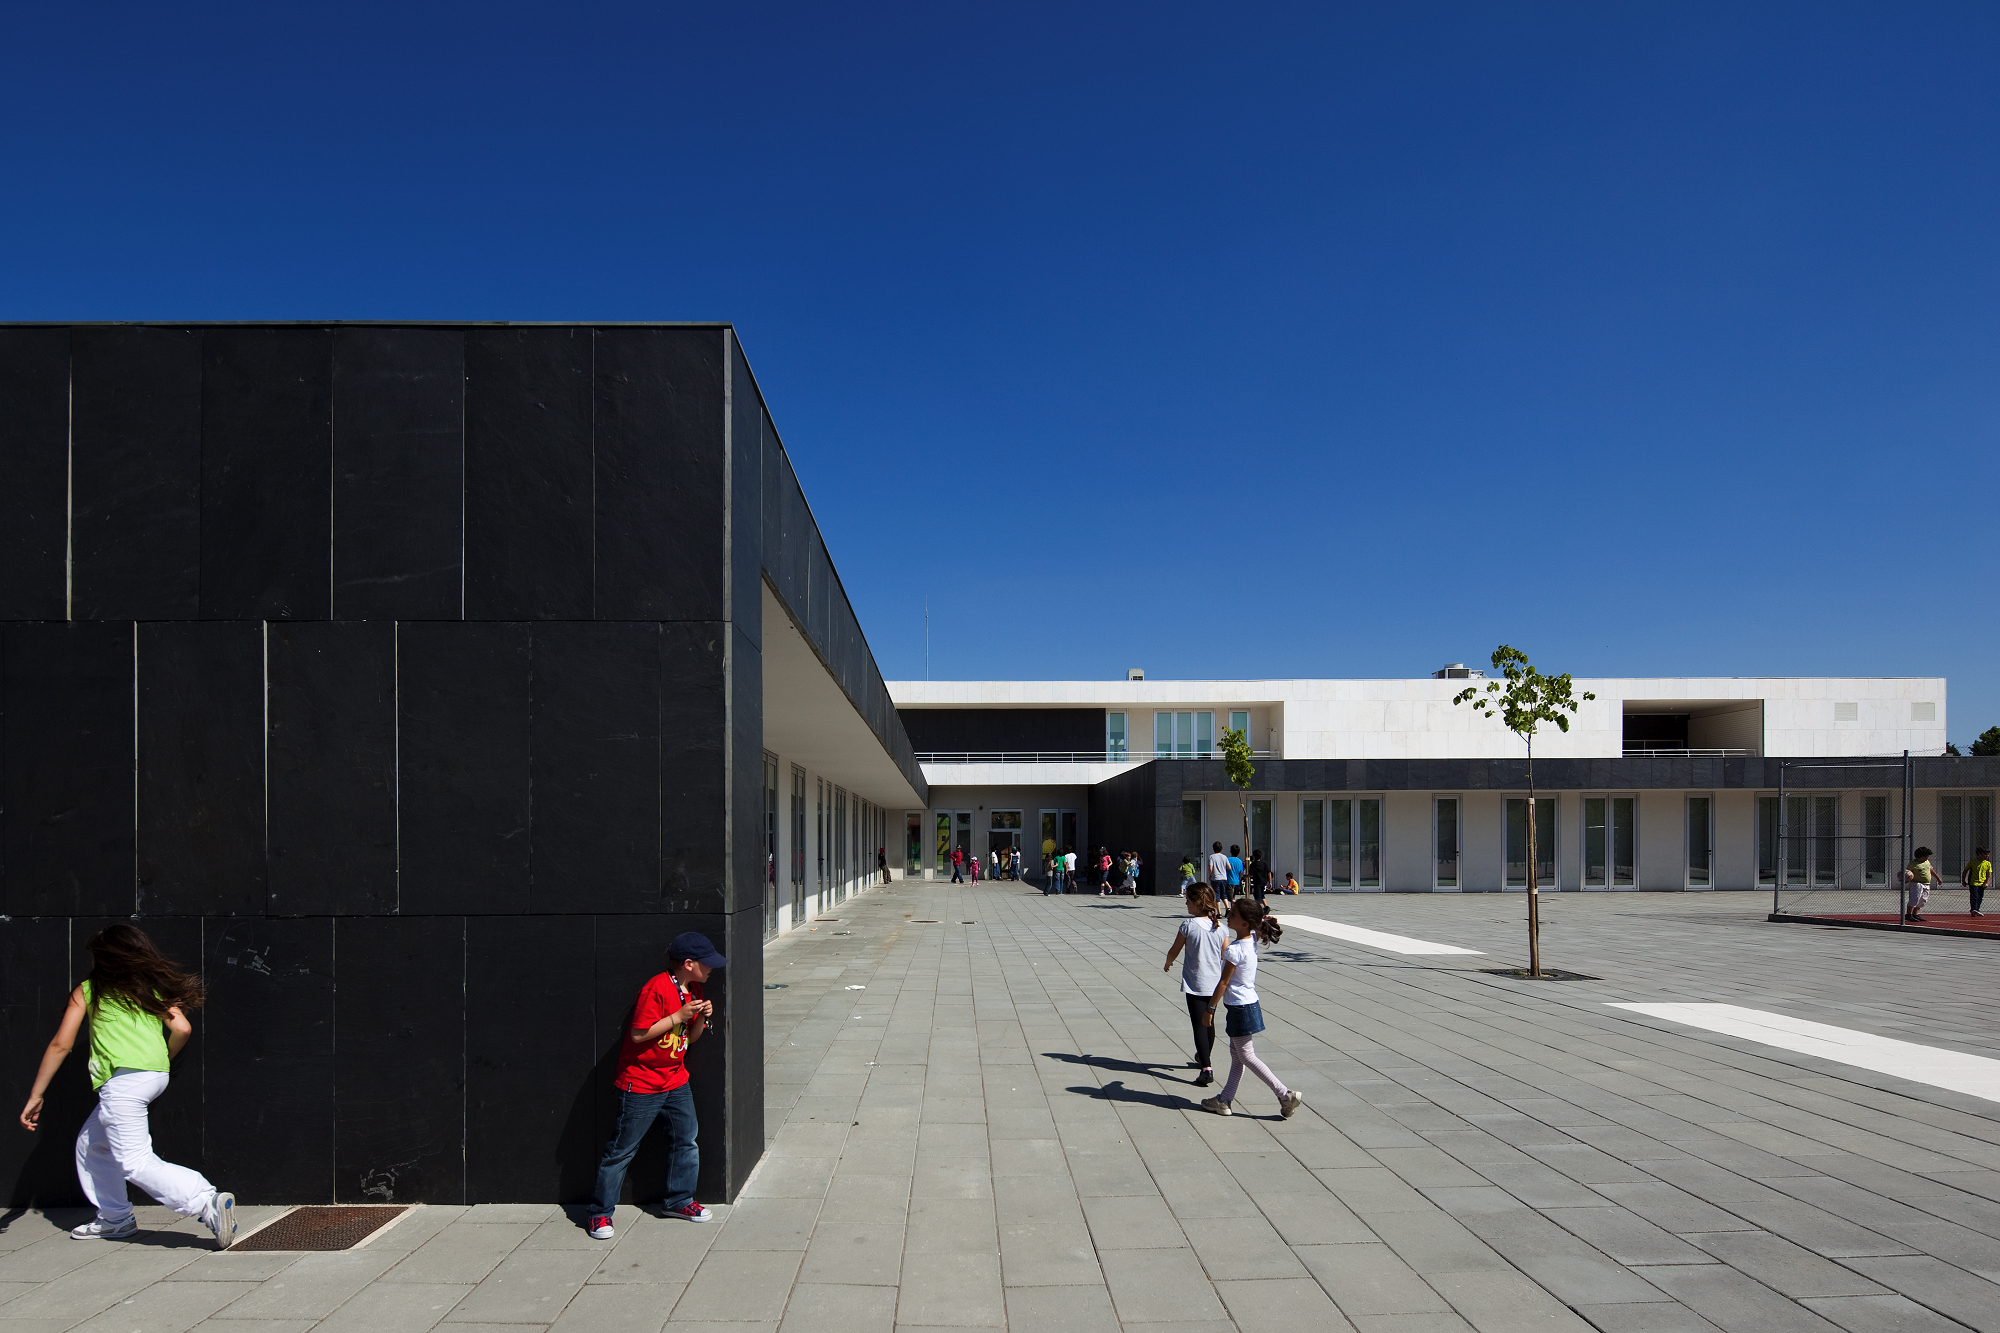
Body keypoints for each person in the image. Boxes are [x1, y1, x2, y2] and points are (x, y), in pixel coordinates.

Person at [18, 924, 237, 1247]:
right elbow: (183, 1028)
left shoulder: (88, 990)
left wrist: (37, 1094)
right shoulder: (146, 987)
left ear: (104, 959)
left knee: (134, 1162)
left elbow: (60, 1045)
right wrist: (162, 1056)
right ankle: (115, 1218)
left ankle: (205, 1201)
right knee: (92, 1145)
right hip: (154, 1076)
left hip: (123, 1082)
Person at [588, 932, 725, 1240]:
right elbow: (638, 1034)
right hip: (641, 1082)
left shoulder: (695, 989)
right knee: (622, 1150)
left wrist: (701, 1018)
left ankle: (679, 1201)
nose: (712, 969)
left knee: (686, 1140)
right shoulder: (657, 988)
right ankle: (599, 1213)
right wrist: (678, 1015)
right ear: (688, 964)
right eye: (707, 964)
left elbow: (689, 1041)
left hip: (675, 1078)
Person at [1199, 898, 1304, 1120]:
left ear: (1245, 923)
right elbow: (1259, 927)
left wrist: (1209, 1009)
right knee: (1237, 1056)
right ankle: (1224, 1100)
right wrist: (1262, 918)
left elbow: (1223, 983)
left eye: (1234, 913)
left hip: (1239, 1008)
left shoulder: (1235, 950)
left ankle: (1284, 1094)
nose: (1229, 914)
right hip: (1248, 1004)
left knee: (1246, 1055)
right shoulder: (1252, 939)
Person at [1163, 884, 1226, 1086]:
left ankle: (1206, 1068)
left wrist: (1168, 961)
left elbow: (1175, 949)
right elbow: (1226, 956)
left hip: (1196, 984)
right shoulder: (1221, 928)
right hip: (1216, 984)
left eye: (1188, 900)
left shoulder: (1188, 926)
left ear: (1198, 903)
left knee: (1199, 1025)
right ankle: (1204, 1055)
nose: (1186, 903)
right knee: (1209, 1022)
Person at [1903, 847, 1937, 922]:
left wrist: (1938, 878)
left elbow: (1931, 870)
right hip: (1917, 884)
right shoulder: (1913, 864)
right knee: (1915, 899)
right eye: (1926, 856)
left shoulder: (1927, 862)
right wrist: (1906, 878)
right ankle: (1909, 915)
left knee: (1922, 900)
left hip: (1926, 884)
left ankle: (1916, 914)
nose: (1927, 858)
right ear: (1921, 856)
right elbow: (1907, 873)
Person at [1963, 846, 1990, 916]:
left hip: (1982, 883)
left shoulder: (1987, 864)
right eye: (1985, 854)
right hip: (1973, 882)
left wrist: (1987, 883)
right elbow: (1965, 871)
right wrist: (1963, 880)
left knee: (1980, 897)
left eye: (1987, 854)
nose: (1987, 856)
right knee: (1974, 896)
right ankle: (1973, 909)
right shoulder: (1972, 862)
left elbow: (1989, 874)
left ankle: (1977, 910)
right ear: (1979, 854)